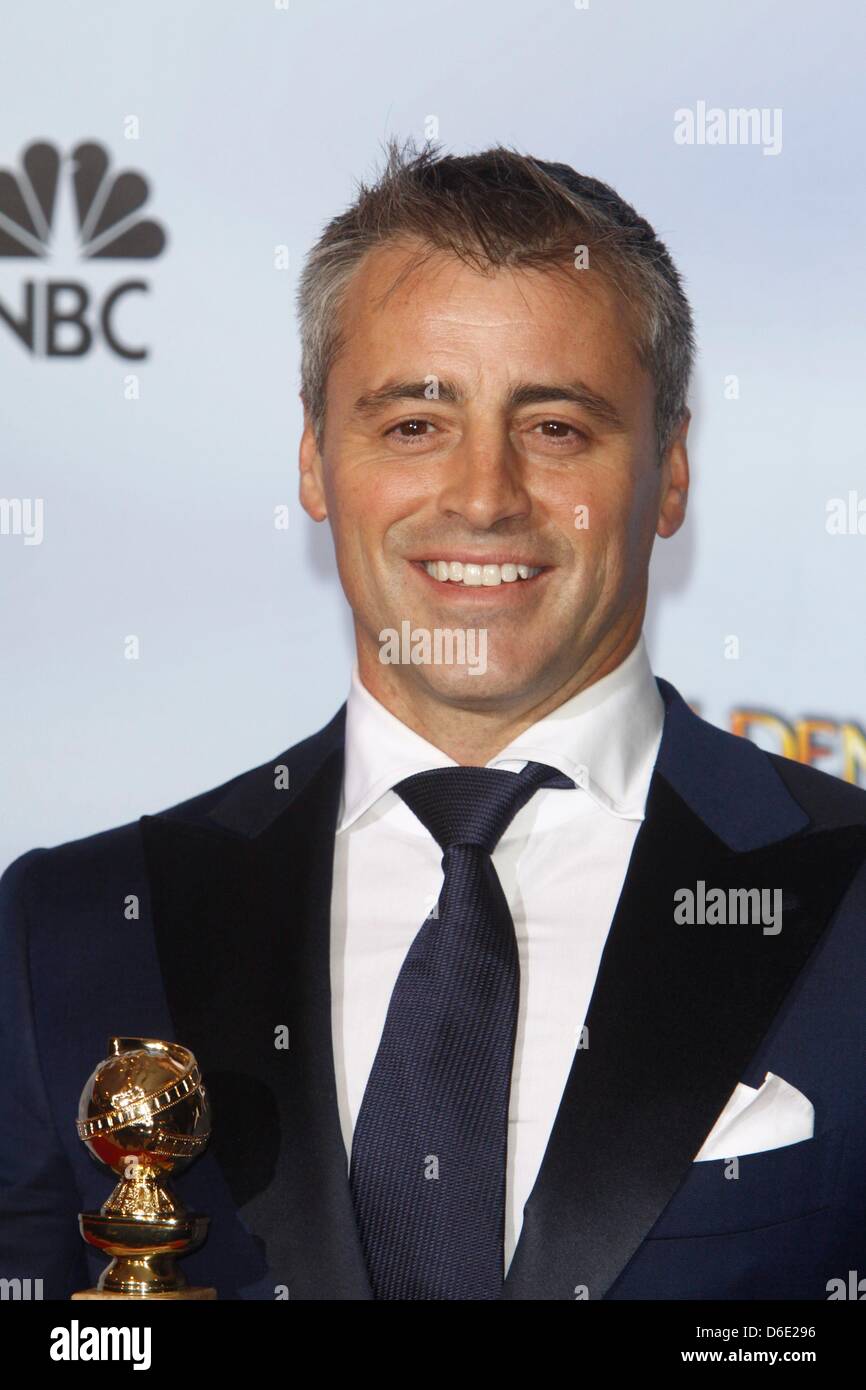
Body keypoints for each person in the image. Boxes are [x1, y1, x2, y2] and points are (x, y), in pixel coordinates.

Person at [2, 139, 864, 1301]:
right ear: (316, 461)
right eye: (414, 422)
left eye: (555, 425)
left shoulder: (847, 892)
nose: (482, 494)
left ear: (668, 471)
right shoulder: (74, 931)